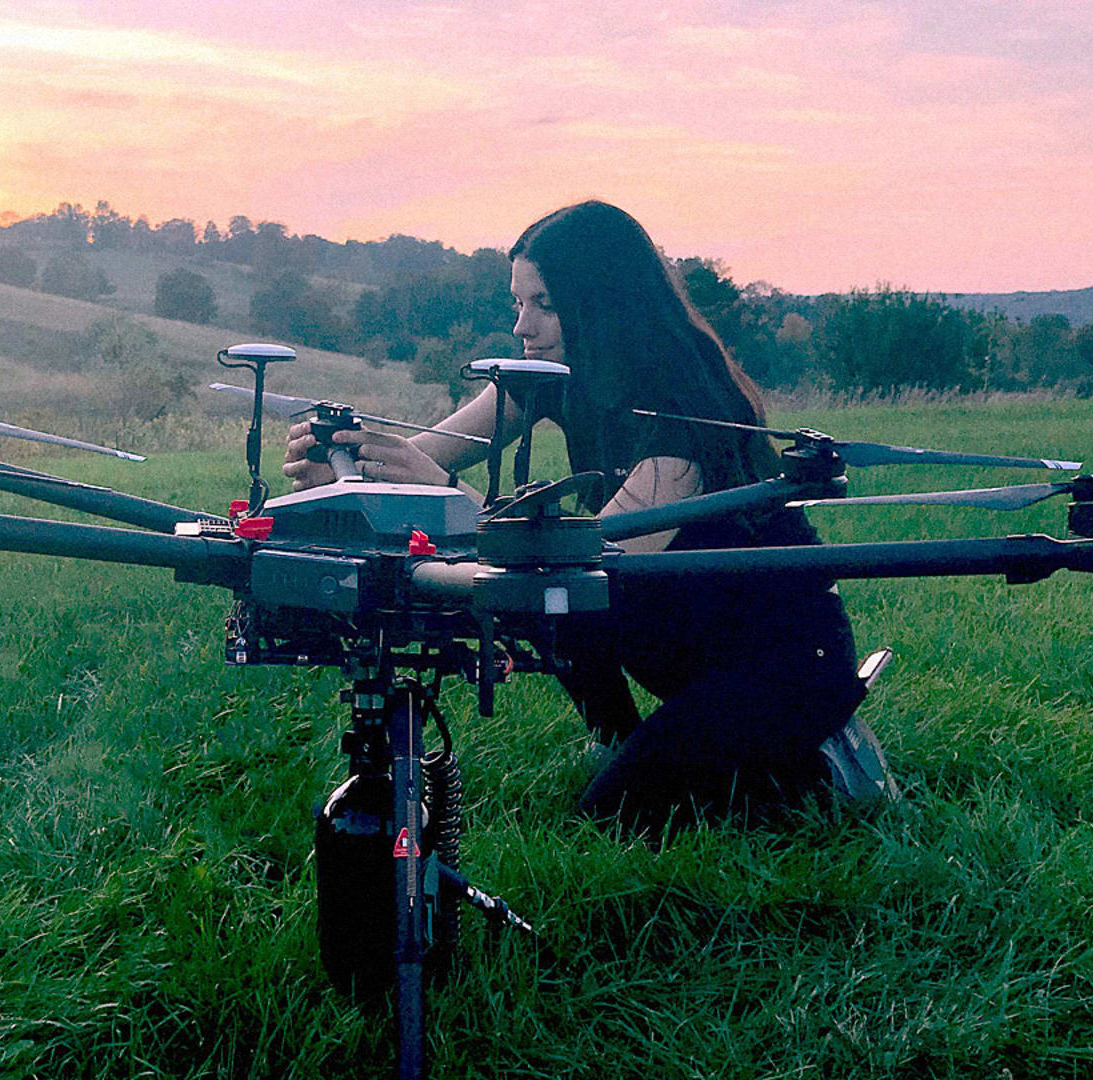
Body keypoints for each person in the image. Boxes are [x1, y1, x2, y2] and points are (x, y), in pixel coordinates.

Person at [283, 200, 871, 832]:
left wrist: (445, 489)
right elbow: (426, 453)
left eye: (544, 305)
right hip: (681, 637)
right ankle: (626, 740)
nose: (521, 326)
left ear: (602, 305)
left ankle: (819, 765)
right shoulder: (555, 371)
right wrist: (345, 464)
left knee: (614, 816)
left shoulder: (679, 408)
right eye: (518, 302)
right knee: (557, 617)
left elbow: (594, 557)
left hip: (780, 660)